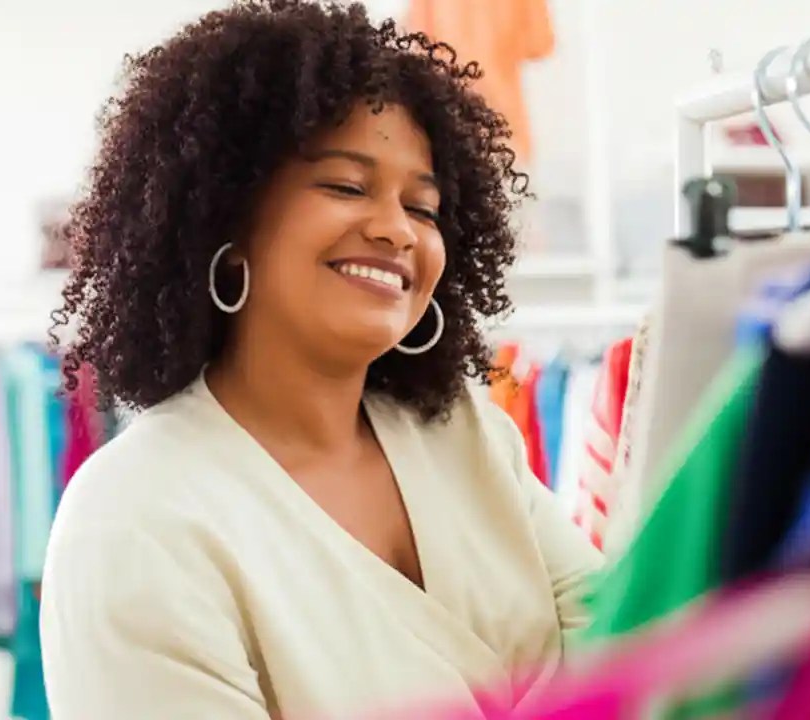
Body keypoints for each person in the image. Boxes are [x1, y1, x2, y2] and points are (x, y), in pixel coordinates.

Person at [41, 1, 603, 718]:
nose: (397, 231)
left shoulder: (465, 436)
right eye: (346, 186)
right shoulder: (135, 515)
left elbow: (632, 642)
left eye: (423, 208)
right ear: (227, 216)